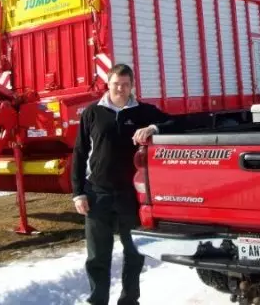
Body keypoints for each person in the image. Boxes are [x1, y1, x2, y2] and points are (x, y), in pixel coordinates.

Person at [71, 63, 180, 305]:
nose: (120, 89)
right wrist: (78, 193)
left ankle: (129, 299)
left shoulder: (143, 111)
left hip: (131, 195)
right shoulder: (92, 113)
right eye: (116, 84)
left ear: (132, 86)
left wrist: (153, 127)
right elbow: (79, 153)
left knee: (134, 252)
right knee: (97, 255)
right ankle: (97, 300)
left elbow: (176, 123)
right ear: (108, 84)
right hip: (97, 193)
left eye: (125, 84)